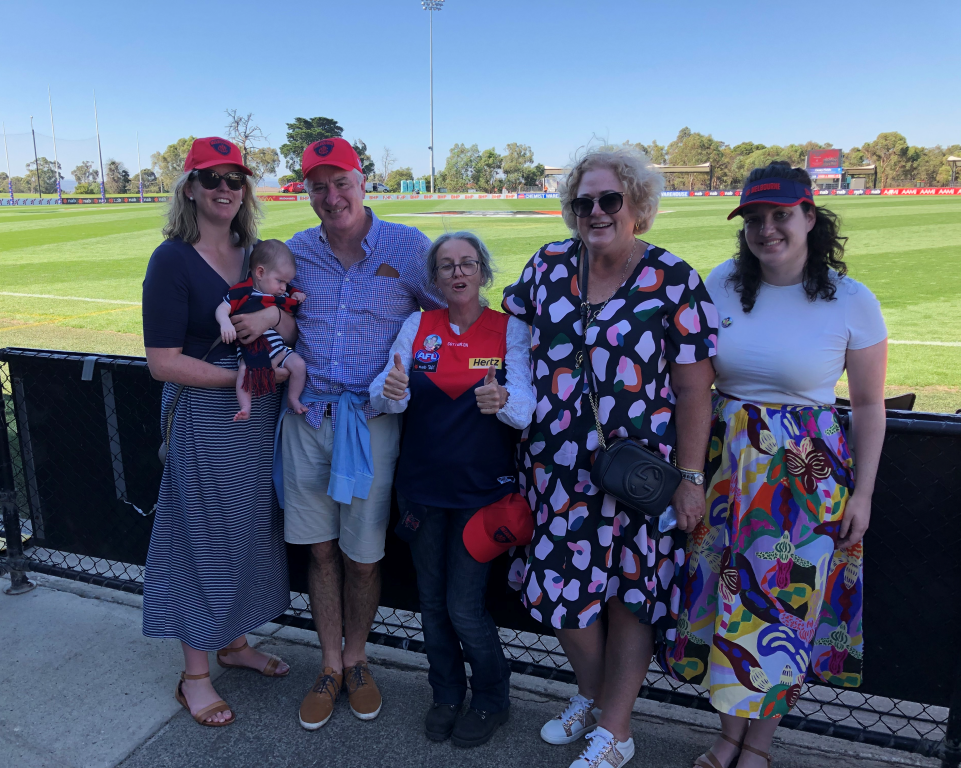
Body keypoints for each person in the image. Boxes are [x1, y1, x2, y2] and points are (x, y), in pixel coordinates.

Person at [662, 162, 887, 768]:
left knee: (785, 611)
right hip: (724, 465)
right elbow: (692, 379)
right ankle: (727, 736)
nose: (767, 230)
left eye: (781, 215)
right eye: (755, 219)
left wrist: (863, 494)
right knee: (724, 601)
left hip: (803, 474)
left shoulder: (851, 300)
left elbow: (869, 406)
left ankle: (757, 745)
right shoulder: (721, 283)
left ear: (810, 217)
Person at [502, 146, 718, 768]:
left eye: (609, 199)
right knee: (560, 591)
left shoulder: (673, 279)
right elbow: (513, 339)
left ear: (637, 206)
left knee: (631, 596)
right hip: (554, 471)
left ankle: (616, 728)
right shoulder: (546, 266)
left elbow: (694, 390)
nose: (595, 212)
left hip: (637, 475)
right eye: (583, 202)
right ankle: (596, 699)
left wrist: (691, 478)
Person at [277, 137, 445, 731]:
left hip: (372, 424)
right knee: (320, 549)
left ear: (362, 180)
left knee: (364, 555)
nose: (332, 196)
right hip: (307, 419)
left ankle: (357, 659)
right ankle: (328, 664)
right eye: (318, 187)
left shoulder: (407, 245)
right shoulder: (297, 252)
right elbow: (275, 314)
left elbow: (446, 314)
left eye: (340, 182)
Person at [142, 137, 296, 727]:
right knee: (203, 536)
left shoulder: (253, 253)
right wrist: (239, 379)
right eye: (212, 179)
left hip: (256, 417)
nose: (225, 189)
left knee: (250, 529)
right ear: (190, 189)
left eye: (235, 179)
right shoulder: (172, 260)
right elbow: (162, 362)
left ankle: (234, 644)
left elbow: (287, 320)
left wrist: (273, 315)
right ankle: (194, 676)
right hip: (208, 415)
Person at [370, 232, 536, 748]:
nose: (457, 273)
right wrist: (389, 391)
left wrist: (502, 401)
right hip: (421, 490)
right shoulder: (418, 325)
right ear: (435, 278)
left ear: (483, 271)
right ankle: (445, 693)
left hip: (481, 495)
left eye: (467, 263)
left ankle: (491, 698)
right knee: (432, 604)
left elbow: (525, 411)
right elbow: (384, 391)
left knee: (464, 607)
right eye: (446, 266)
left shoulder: (509, 330)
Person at [215, 239, 307, 420]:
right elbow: (222, 308)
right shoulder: (243, 291)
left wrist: (296, 294)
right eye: (280, 281)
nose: (284, 287)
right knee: (244, 372)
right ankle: (245, 406)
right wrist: (225, 323)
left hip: (279, 348)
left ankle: (293, 398)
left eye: (287, 283)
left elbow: (291, 306)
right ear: (260, 272)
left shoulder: (280, 293)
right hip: (253, 350)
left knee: (299, 365)